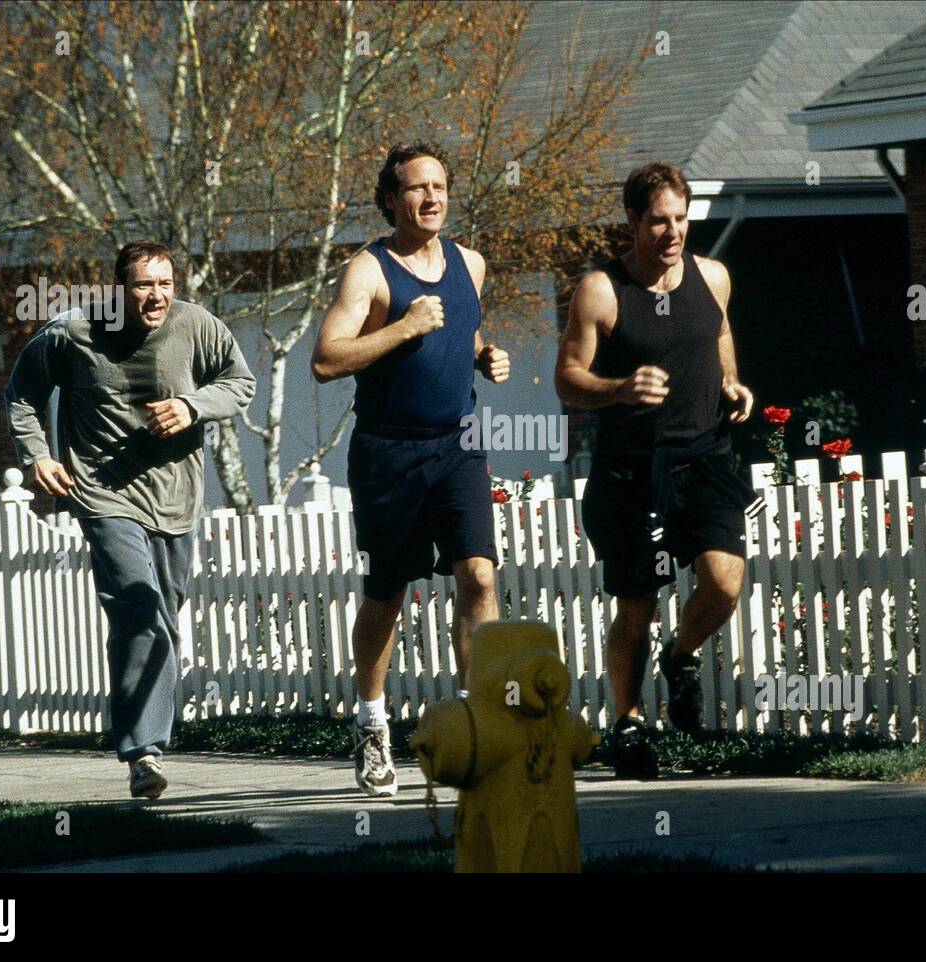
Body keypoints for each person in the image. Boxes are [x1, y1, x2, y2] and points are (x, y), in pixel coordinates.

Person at [4, 240, 256, 798]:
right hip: (101, 492)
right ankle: (144, 752)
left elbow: (241, 385)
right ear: (118, 288)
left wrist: (193, 406)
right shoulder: (72, 331)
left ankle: (143, 737)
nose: (157, 295)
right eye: (145, 284)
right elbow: (22, 393)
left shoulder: (198, 327)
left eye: (165, 284)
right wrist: (38, 455)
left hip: (176, 498)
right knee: (138, 607)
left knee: (163, 616)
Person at [311, 141, 510, 799]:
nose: (432, 198)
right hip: (387, 453)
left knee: (478, 574)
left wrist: (484, 354)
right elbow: (327, 359)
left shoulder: (469, 263)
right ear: (391, 200)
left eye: (440, 186)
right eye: (417, 189)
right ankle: (372, 727)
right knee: (387, 596)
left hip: (456, 445)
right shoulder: (367, 272)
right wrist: (403, 328)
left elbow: (462, 329)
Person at [555, 161, 756, 778]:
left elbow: (717, 332)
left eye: (680, 219)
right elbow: (568, 380)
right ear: (633, 222)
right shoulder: (601, 291)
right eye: (658, 222)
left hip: (707, 457)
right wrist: (618, 387)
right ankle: (629, 723)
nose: (672, 233)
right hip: (634, 470)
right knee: (636, 604)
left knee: (725, 583)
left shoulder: (712, 276)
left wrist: (730, 380)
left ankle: (681, 656)